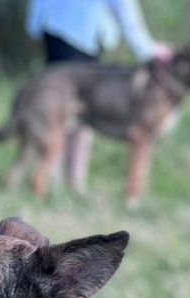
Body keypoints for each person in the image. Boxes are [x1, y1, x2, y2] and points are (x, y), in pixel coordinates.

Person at [25, 0, 173, 191]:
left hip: (63, 26)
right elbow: (122, 5)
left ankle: (69, 183)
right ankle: (54, 183)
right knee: (63, 111)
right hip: (75, 29)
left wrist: (36, 21)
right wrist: (147, 48)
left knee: (80, 109)